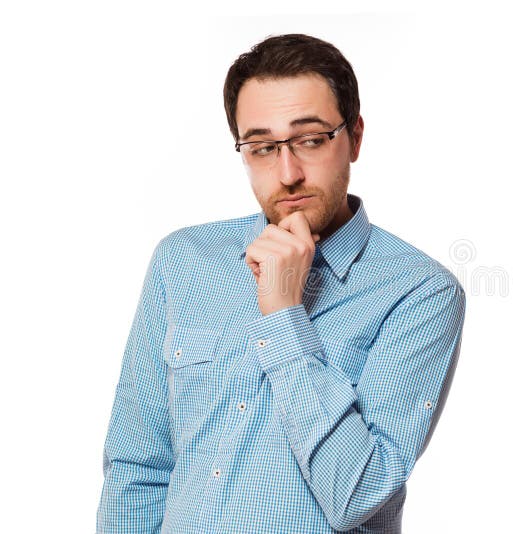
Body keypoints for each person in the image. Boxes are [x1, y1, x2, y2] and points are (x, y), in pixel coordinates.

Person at [96, 33, 466, 533]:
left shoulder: (418, 292)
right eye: (263, 147)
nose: (288, 173)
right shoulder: (183, 262)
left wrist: (283, 314)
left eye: (311, 140)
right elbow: (137, 468)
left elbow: (357, 494)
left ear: (354, 137)